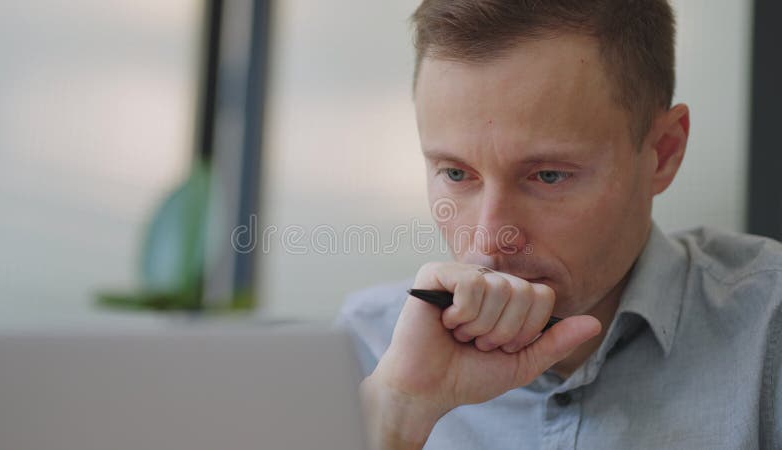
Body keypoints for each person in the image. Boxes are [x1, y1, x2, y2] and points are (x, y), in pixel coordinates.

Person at [335, 1, 782, 449]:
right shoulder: (363, 349)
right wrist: (395, 416)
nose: (489, 239)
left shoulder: (768, 332)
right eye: (455, 174)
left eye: (548, 176)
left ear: (662, 153)